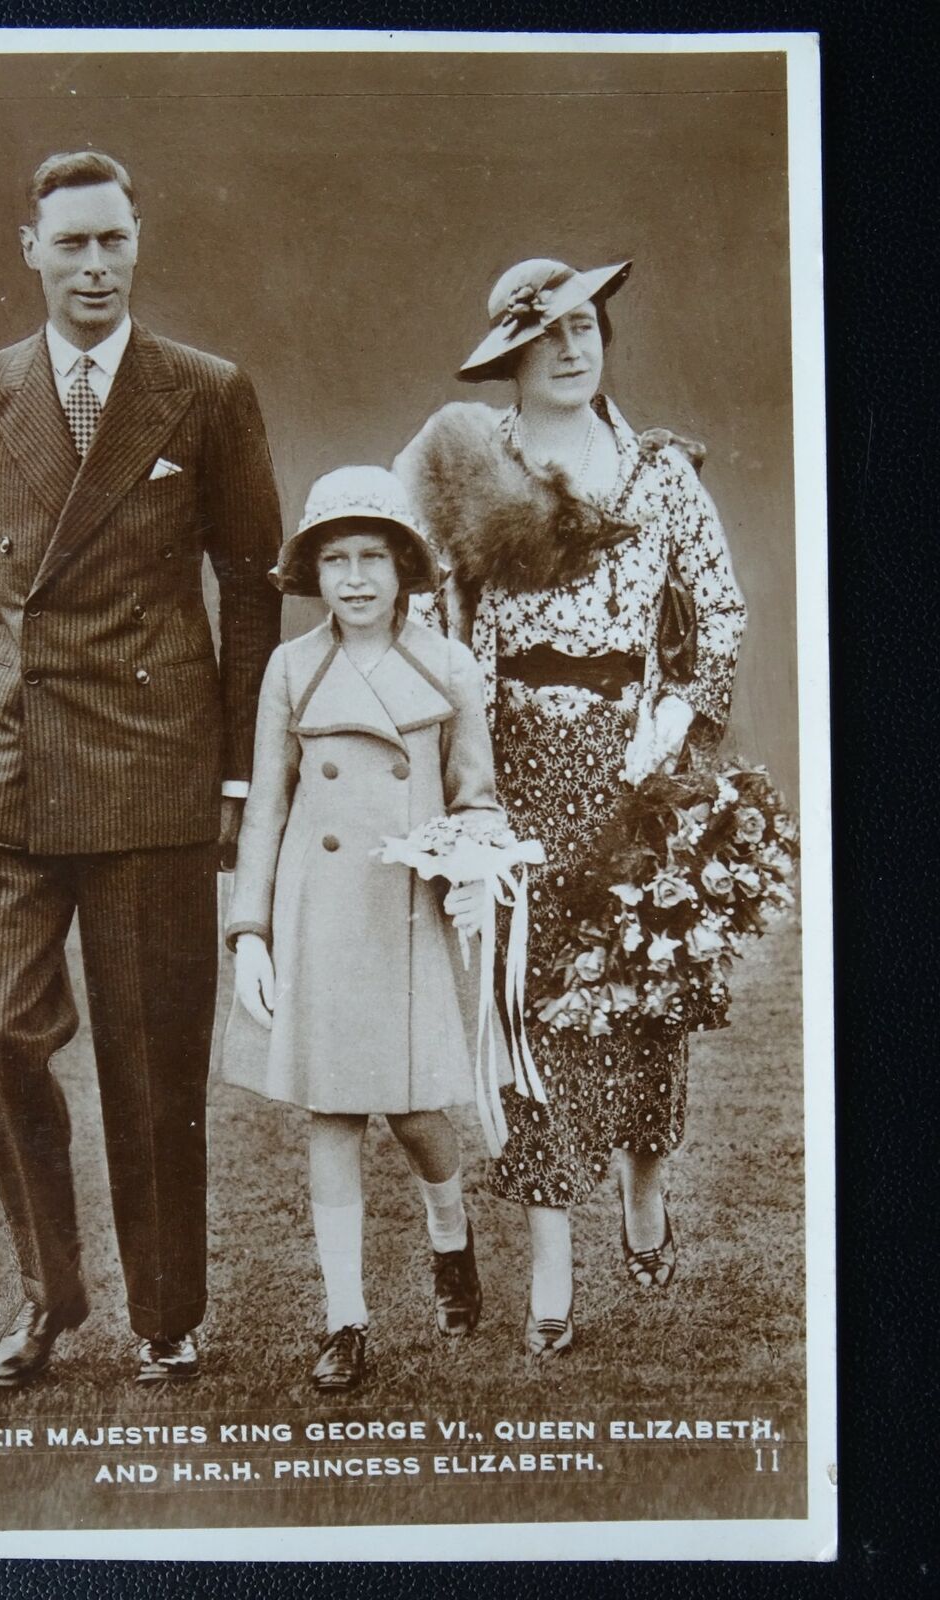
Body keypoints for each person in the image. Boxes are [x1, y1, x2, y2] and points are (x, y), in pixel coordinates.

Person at [0, 150, 283, 1386]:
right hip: (7, 769)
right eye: (69, 243)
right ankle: (48, 1291)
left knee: (151, 1062)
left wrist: (235, 774)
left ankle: (168, 1315)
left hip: (153, 775)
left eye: (112, 241)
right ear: (31, 248)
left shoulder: (206, 391)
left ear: (140, 241)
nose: (93, 265)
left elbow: (251, 587)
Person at [394, 257, 747, 1357]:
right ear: (509, 356)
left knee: (643, 998)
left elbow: (721, 612)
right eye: (544, 333)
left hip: (640, 767)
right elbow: (425, 617)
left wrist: (677, 724)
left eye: (585, 325)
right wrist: (459, 767)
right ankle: (553, 1259)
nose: (570, 346)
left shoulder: (659, 474)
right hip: (513, 771)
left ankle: (644, 1187)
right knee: (534, 1019)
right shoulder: (470, 473)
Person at [221, 466, 506, 1393]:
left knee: (422, 1116)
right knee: (333, 1111)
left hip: (412, 914)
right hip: (322, 910)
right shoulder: (291, 668)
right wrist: (252, 931)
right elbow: (266, 807)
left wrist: (474, 865)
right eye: (335, 560)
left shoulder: (449, 666)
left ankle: (448, 1234)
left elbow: (478, 799)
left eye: (372, 559)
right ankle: (345, 1317)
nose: (353, 579)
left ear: (404, 570)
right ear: (313, 573)